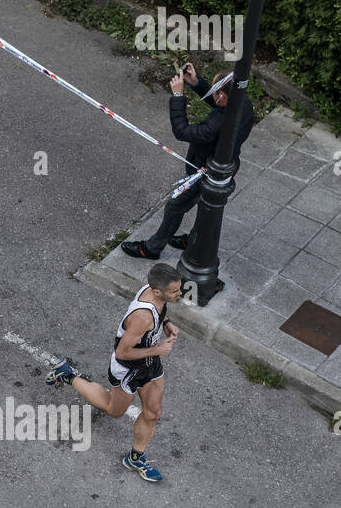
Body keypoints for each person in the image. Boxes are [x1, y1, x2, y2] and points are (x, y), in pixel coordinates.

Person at [45, 263, 183, 483]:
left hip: (150, 363)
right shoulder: (143, 317)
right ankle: (68, 375)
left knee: (153, 413)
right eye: (175, 291)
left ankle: (135, 458)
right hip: (128, 368)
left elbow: (161, 309)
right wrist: (158, 349)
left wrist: (166, 323)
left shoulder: (153, 290)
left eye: (179, 288)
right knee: (113, 409)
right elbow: (122, 352)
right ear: (157, 291)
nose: (180, 293)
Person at [122, 65, 253, 259]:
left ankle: (152, 248)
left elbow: (182, 131)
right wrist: (197, 83)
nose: (213, 92)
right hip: (225, 167)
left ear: (222, 95)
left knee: (175, 206)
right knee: (206, 208)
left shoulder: (214, 126)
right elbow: (221, 102)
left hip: (204, 172)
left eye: (214, 90)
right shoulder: (243, 103)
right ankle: (194, 240)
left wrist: (178, 96)